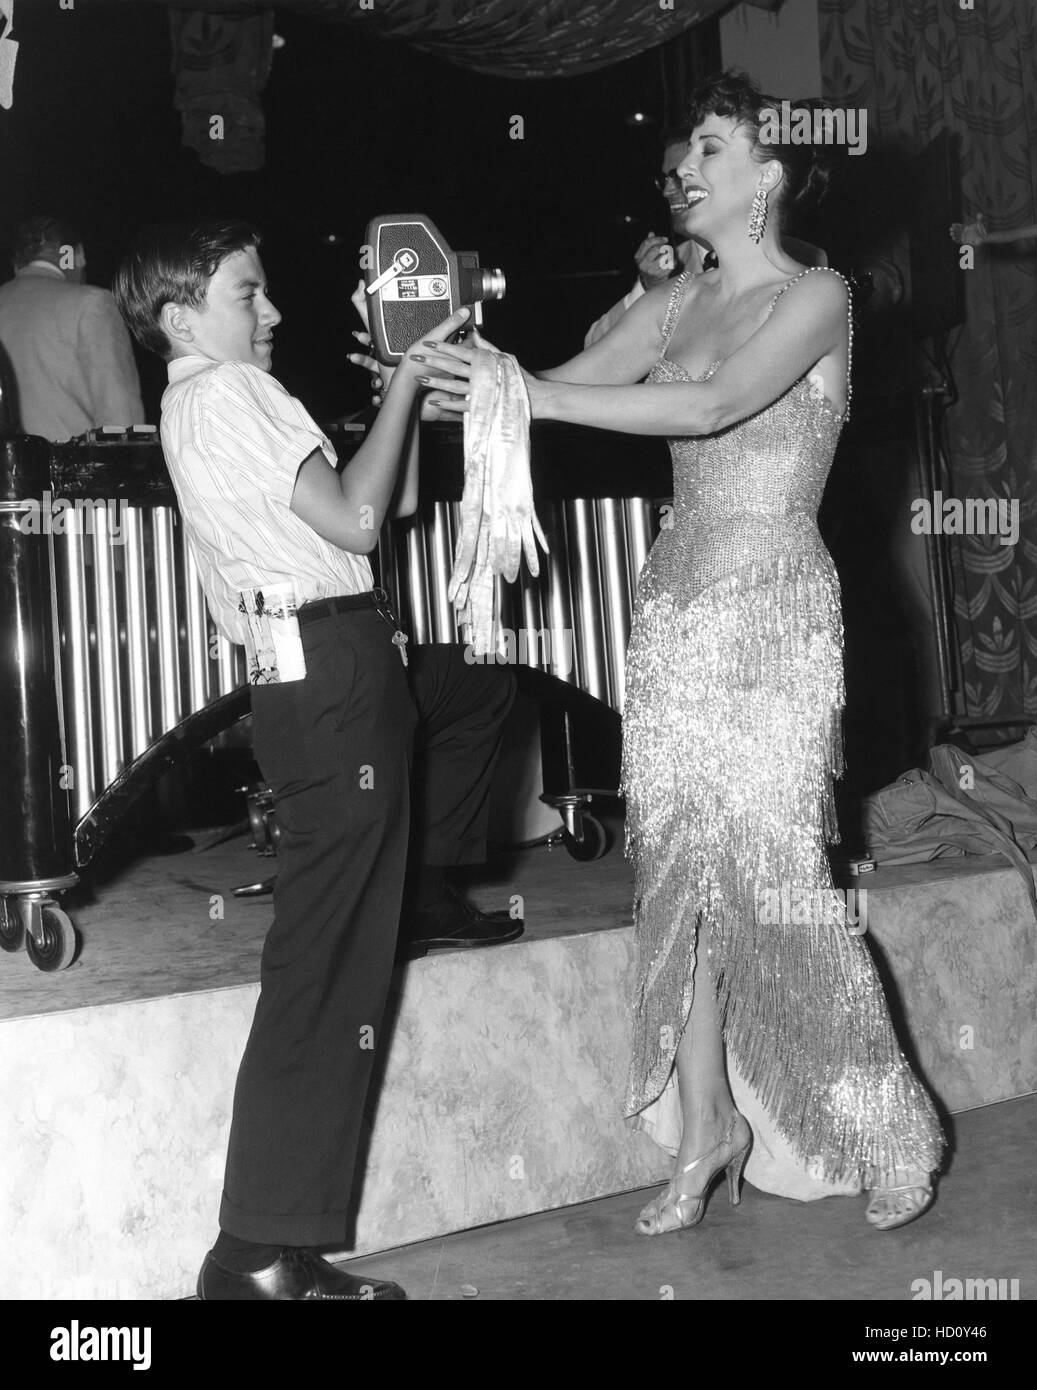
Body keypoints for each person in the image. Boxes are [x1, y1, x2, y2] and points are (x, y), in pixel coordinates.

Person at [427, 70, 945, 1235]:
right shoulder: (670, 302)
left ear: (764, 175)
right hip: (670, 612)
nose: (680, 168)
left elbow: (706, 412)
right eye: (676, 153)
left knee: (775, 878)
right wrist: (448, 375)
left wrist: (529, 392)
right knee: (680, 884)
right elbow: (552, 392)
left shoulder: (817, 297)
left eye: (706, 149)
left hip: (772, 607)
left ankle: (884, 1128)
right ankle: (706, 1126)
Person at [113, 218, 515, 1300]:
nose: (275, 312)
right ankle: (251, 1254)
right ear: (179, 315)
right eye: (249, 294)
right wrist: (401, 388)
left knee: (475, 696)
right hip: (328, 672)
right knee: (323, 967)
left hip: (325, 671)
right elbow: (355, 514)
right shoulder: (227, 393)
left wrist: (401, 398)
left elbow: (384, 508)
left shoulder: (201, 402)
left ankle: (278, 1244)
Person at [586, 121, 827, 348]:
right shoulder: (665, 268)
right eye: (665, 178)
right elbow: (594, 352)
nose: (669, 190)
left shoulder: (807, 261)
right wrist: (648, 289)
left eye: (679, 176)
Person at [0, 215, 144, 440]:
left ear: (17, 263)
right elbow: (121, 418)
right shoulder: (92, 303)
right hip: (69, 470)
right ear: (77, 255)